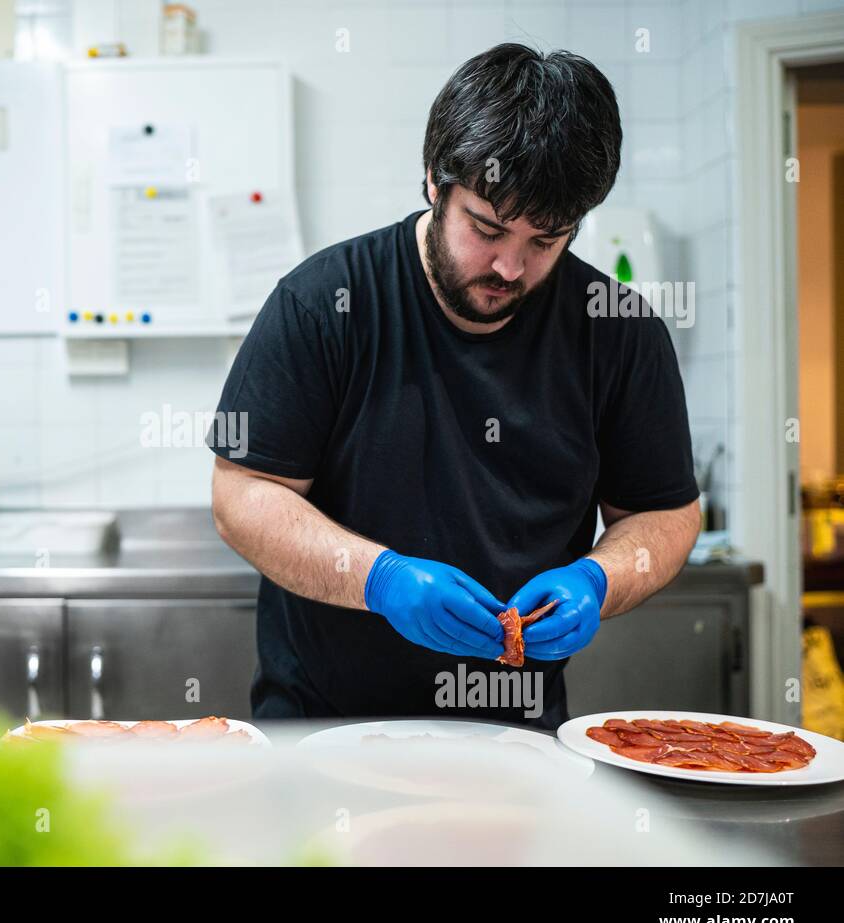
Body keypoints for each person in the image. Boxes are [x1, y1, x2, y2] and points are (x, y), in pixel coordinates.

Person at [208, 44, 701, 729]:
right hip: (322, 726)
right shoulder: (324, 304)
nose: (510, 265)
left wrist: (600, 578)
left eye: (545, 240)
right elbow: (242, 493)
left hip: (516, 731)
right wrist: (379, 580)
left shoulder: (617, 331)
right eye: (488, 227)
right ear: (435, 184)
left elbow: (666, 515)